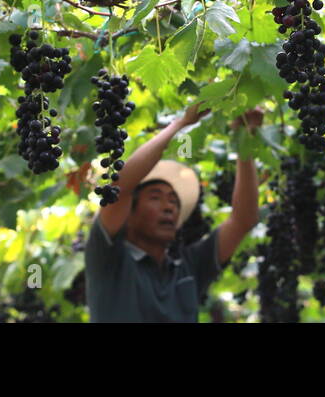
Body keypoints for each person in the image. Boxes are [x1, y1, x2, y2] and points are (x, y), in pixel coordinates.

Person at [85, 105, 261, 322]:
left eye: (174, 201)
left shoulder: (190, 266)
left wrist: (245, 138)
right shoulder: (108, 259)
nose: (169, 207)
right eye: (156, 197)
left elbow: (244, 220)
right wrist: (181, 124)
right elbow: (119, 191)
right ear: (128, 214)